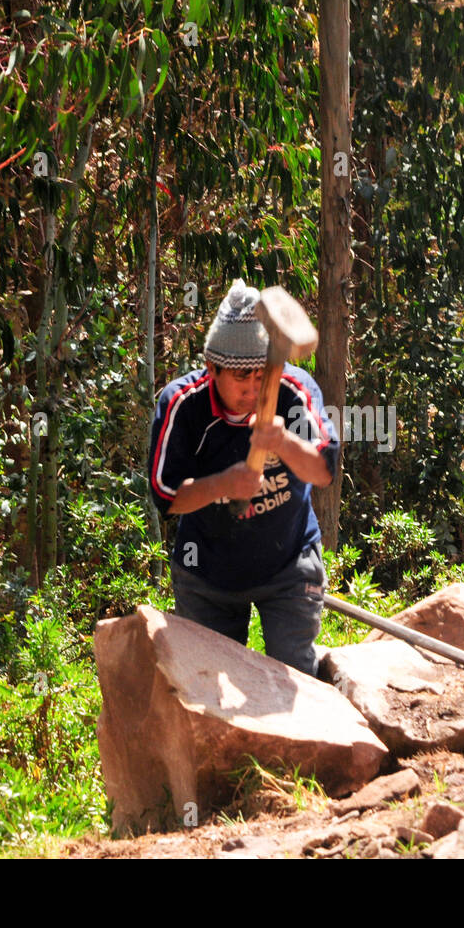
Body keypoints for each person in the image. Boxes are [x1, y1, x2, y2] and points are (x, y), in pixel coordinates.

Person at [147, 279, 339, 676]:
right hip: (207, 571)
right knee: (202, 684)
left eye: (259, 376)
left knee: (296, 675)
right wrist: (223, 484)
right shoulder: (182, 404)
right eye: (239, 378)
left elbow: (323, 471)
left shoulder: (296, 390)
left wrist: (283, 442)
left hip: (288, 561)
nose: (252, 389)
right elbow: (165, 496)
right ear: (212, 367)